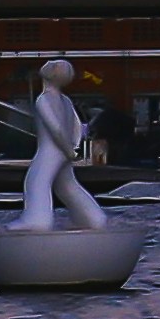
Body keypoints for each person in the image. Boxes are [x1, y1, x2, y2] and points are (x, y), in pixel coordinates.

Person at [17, 55, 108, 235]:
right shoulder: (66, 101)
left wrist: (67, 148)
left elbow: (55, 128)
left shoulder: (43, 100)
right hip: (64, 151)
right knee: (67, 186)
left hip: (50, 150)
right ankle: (93, 218)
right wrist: (72, 148)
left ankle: (37, 220)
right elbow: (77, 127)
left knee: (36, 182)